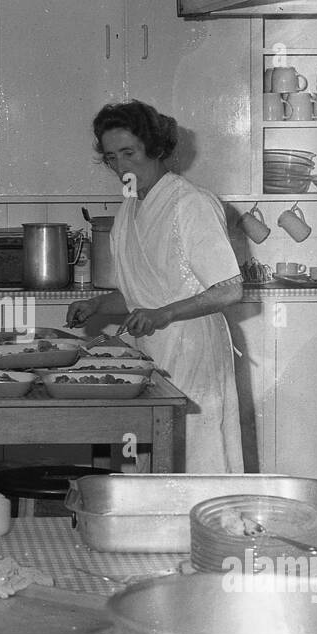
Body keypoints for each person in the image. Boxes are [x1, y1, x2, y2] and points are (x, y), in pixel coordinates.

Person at [66, 100, 244, 473]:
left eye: (129, 153)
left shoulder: (190, 203)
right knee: (142, 460)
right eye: (112, 157)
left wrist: (162, 314)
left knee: (193, 457)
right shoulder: (130, 206)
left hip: (191, 352)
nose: (120, 167)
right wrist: (98, 305)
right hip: (148, 350)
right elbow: (141, 293)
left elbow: (229, 289)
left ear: (156, 147)